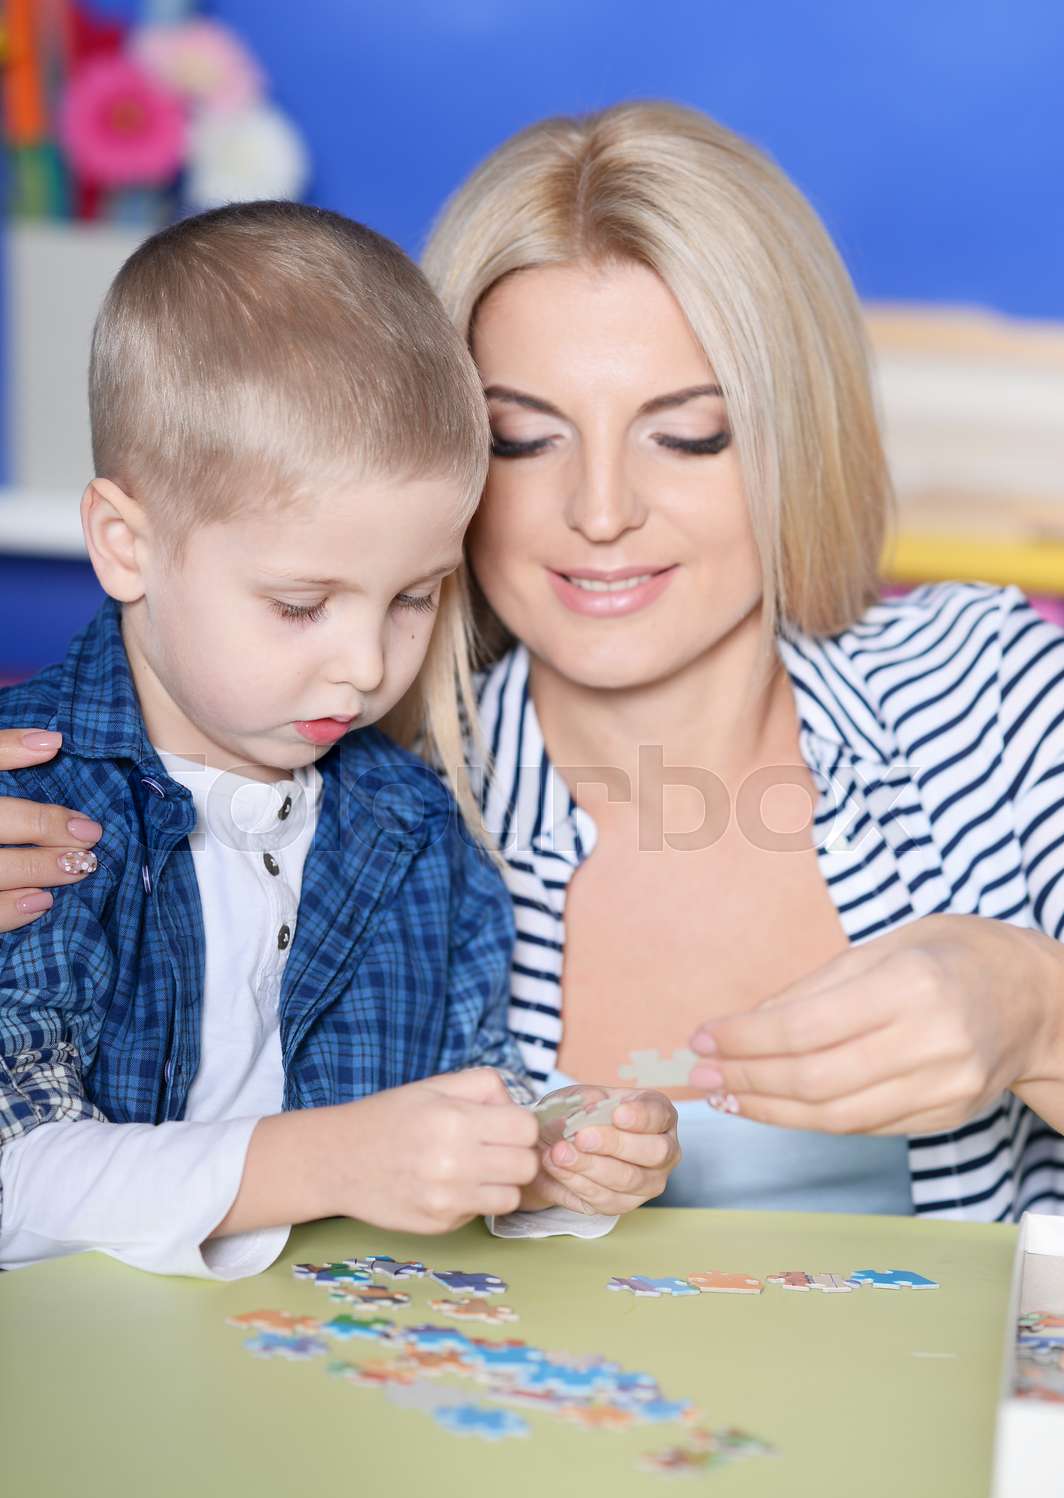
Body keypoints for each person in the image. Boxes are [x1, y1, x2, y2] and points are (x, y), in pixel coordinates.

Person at [6, 102, 1063, 1221]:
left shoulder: (985, 692)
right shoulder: (345, 777)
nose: (599, 512)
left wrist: (1038, 1016)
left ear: (791, 433)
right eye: (522, 438)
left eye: (687, 432)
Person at [0, 199, 679, 1278]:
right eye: (302, 604)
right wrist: (320, 1163)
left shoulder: (409, 826)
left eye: (413, 597)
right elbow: (14, 1177)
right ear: (127, 546)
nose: (367, 666)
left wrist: (552, 1150)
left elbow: (464, 1093)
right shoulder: (34, 812)